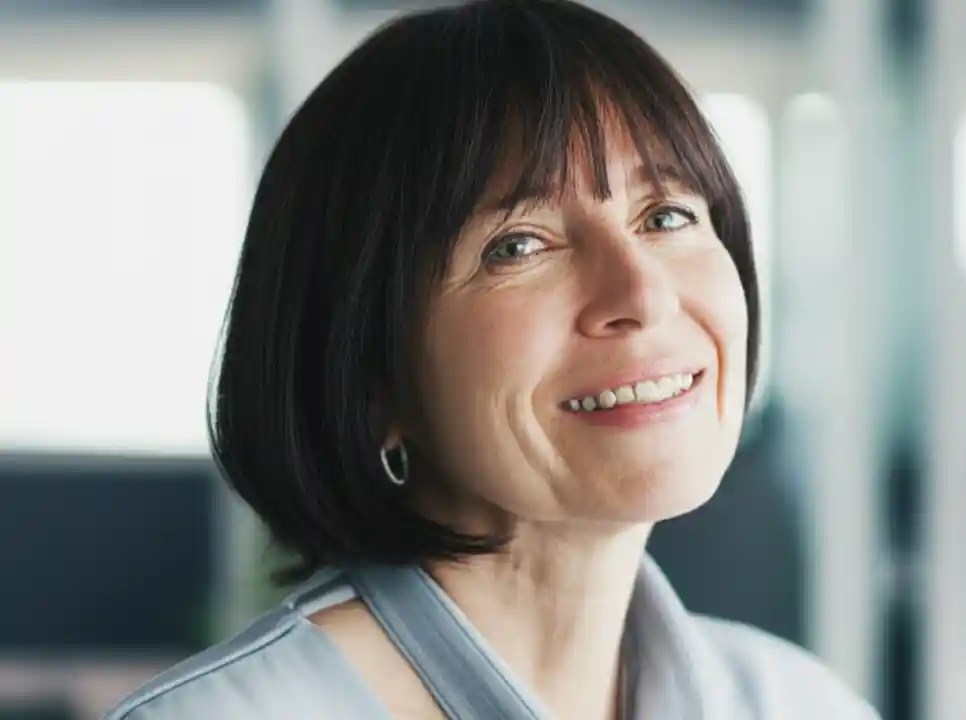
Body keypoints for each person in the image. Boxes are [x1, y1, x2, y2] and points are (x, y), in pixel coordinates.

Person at [106, 1, 880, 718]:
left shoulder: (797, 701)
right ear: (370, 373)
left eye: (667, 214)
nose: (642, 292)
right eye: (518, 245)